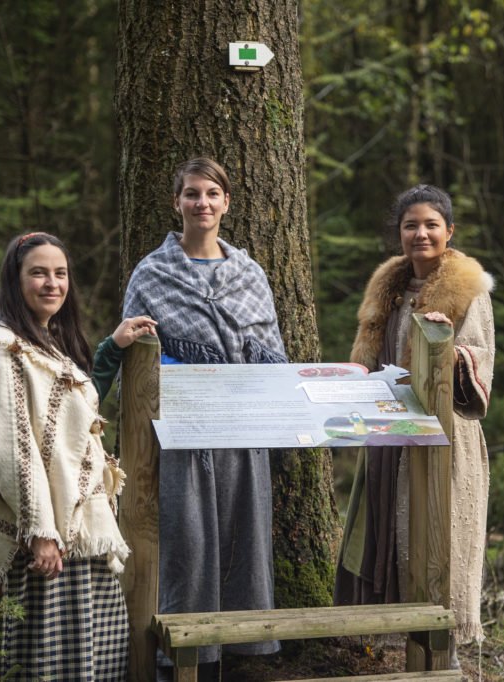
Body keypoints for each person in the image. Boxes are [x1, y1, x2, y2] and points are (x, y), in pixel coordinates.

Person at [0, 231, 155, 680]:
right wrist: (40, 531)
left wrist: (112, 347)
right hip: (38, 530)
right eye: (38, 273)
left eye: (60, 273)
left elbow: (71, 420)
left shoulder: (44, 341)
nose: (52, 283)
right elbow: (9, 446)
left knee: (87, 651)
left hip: (71, 521)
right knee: (38, 657)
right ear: (15, 279)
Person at [111, 156, 286, 677]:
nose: (201, 203)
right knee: (187, 546)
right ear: (177, 202)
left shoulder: (250, 274)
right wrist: (178, 374)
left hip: (243, 433)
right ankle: (186, 660)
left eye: (211, 194)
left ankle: (243, 653)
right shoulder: (152, 273)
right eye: (191, 193)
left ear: (226, 202)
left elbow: (272, 353)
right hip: (182, 434)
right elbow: (135, 361)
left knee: (244, 545)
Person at [334, 184, 496, 659]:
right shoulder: (388, 288)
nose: (421, 234)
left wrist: (446, 348)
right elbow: (368, 357)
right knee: (393, 535)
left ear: (449, 231)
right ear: (399, 232)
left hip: (445, 435)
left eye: (431, 225)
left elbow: (481, 354)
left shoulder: (468, 288)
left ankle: (443, 652)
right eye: (411, 226)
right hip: (390, 434)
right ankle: (400, 645)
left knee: (440, 539)